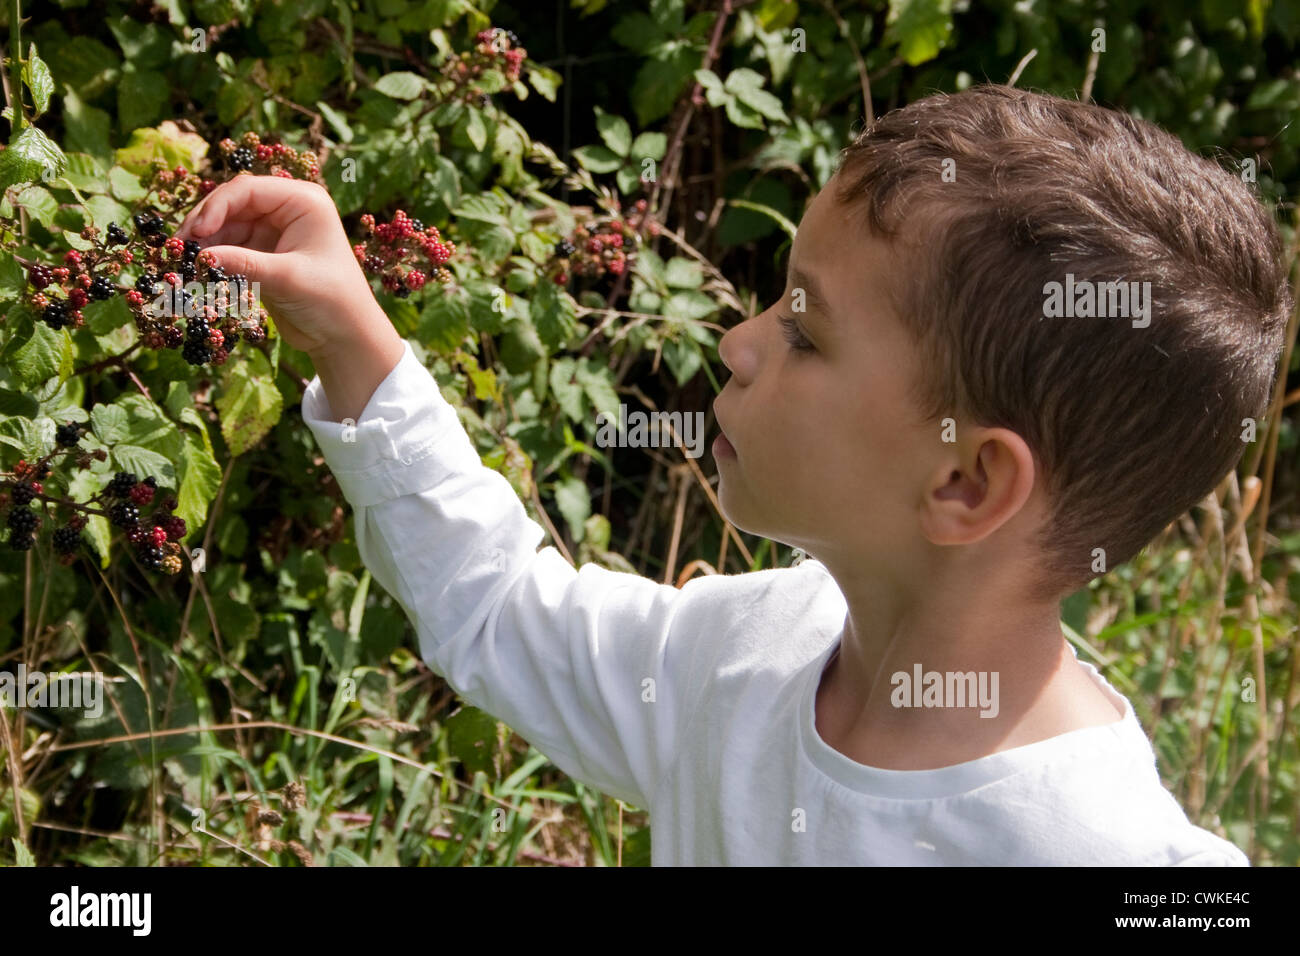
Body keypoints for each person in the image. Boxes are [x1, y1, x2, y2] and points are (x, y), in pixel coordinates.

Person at [176, 84, 1289, 864]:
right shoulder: (744, 653)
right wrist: (354, 340)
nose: (740, 342)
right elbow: (504, 611)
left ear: (963, 484)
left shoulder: (1107, 852)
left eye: (806, 333)